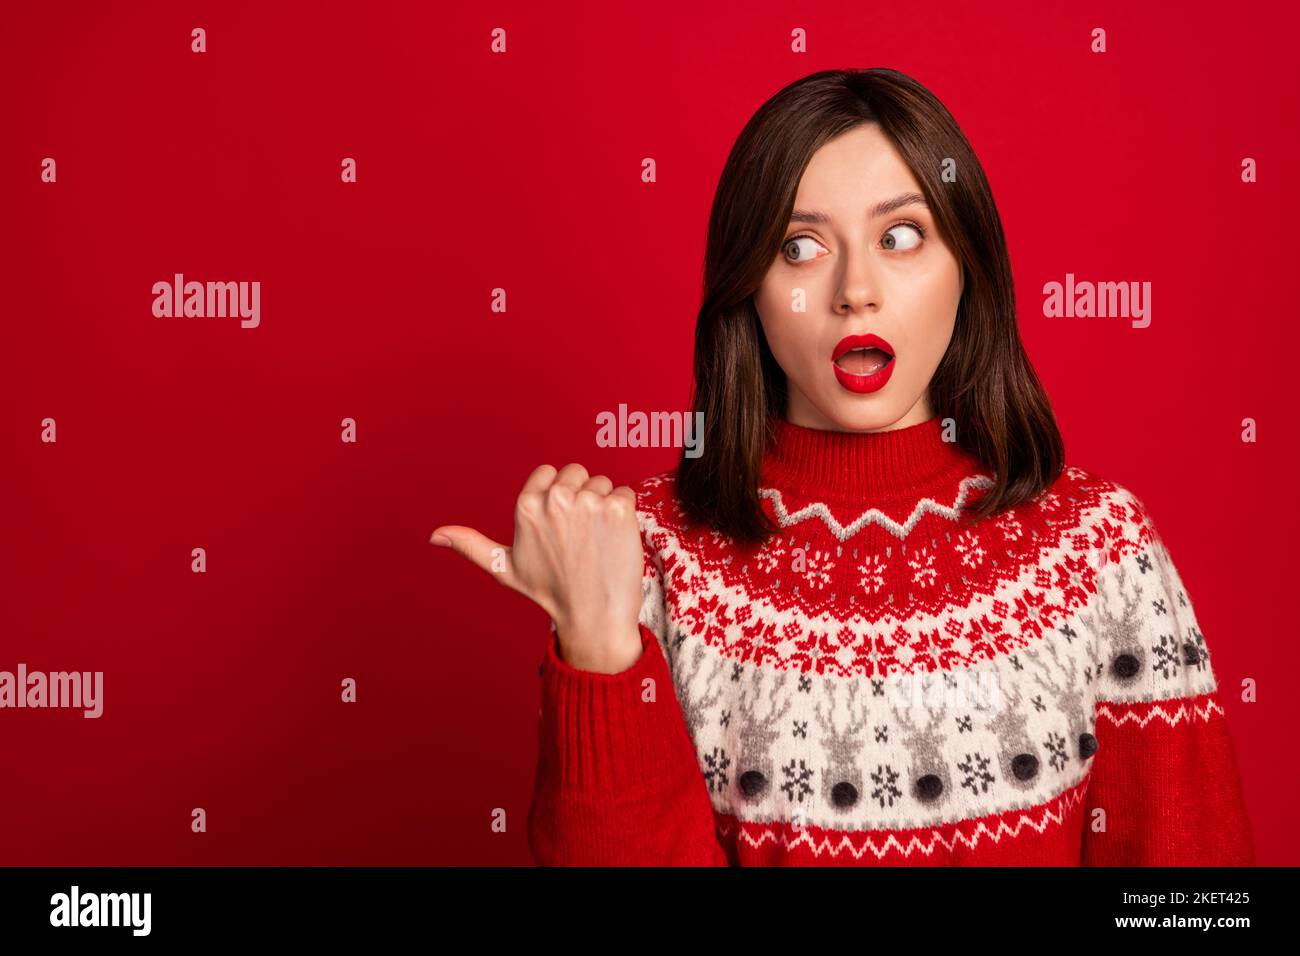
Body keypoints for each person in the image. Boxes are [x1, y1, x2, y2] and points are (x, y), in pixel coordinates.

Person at [431, 68, 1255, 866]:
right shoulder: (641, 554)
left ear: (968, 268)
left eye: (902, 237)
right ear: (747, 285)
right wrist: (601, 652)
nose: (855, 289)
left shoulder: (1098, 547)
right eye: (799, 246)